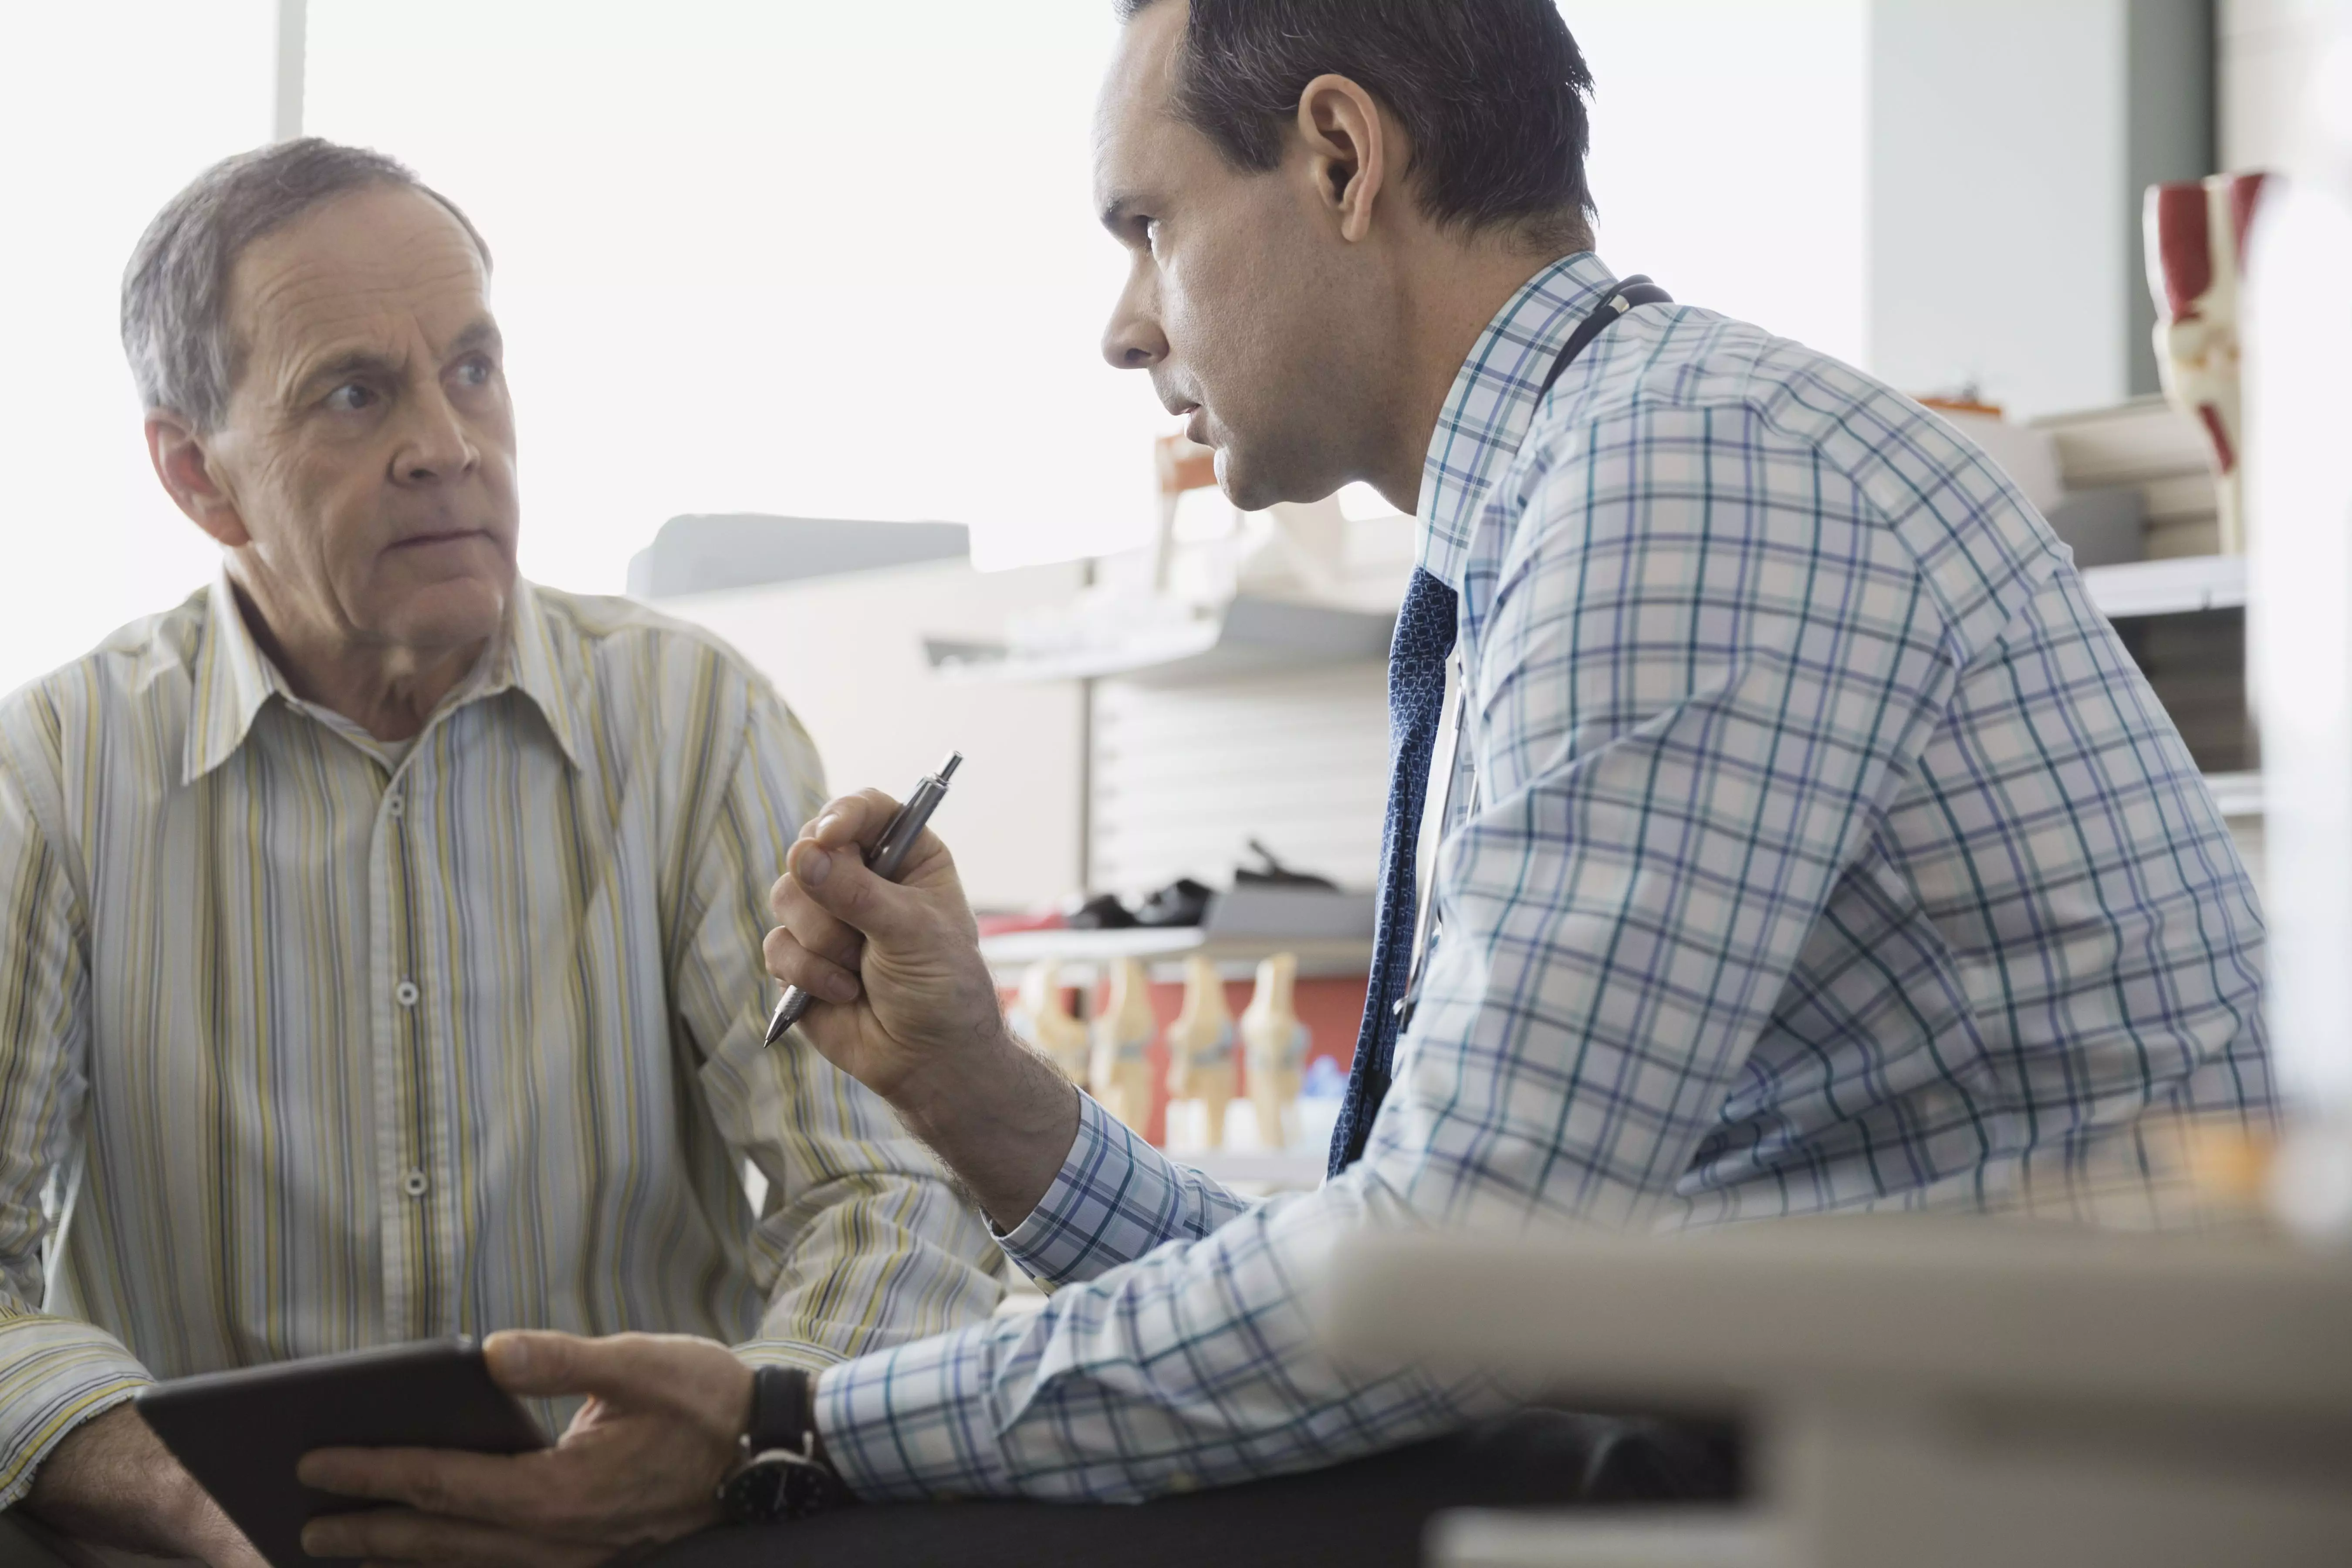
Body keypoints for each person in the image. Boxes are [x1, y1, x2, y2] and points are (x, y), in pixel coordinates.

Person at [294, 1, 2273, 1563]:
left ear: (1338, 153)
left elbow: (1451, 1297)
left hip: (2026, 1482)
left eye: (1148, 225)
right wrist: (988, 1108)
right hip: (1829, 1418)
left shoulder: (1680, 482)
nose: (1123, 322)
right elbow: (1414, 1279)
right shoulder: (1582, 496)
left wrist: (798, 1428)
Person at [0, 140, 1005, 1568]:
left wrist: (734, 1447)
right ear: (196, 475)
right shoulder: (53, 771)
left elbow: (882, 1185)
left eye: (472, 369)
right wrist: (179, 1496)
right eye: (357, 392)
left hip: (661, 1546)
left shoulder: (692, 720)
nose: (447, 442)